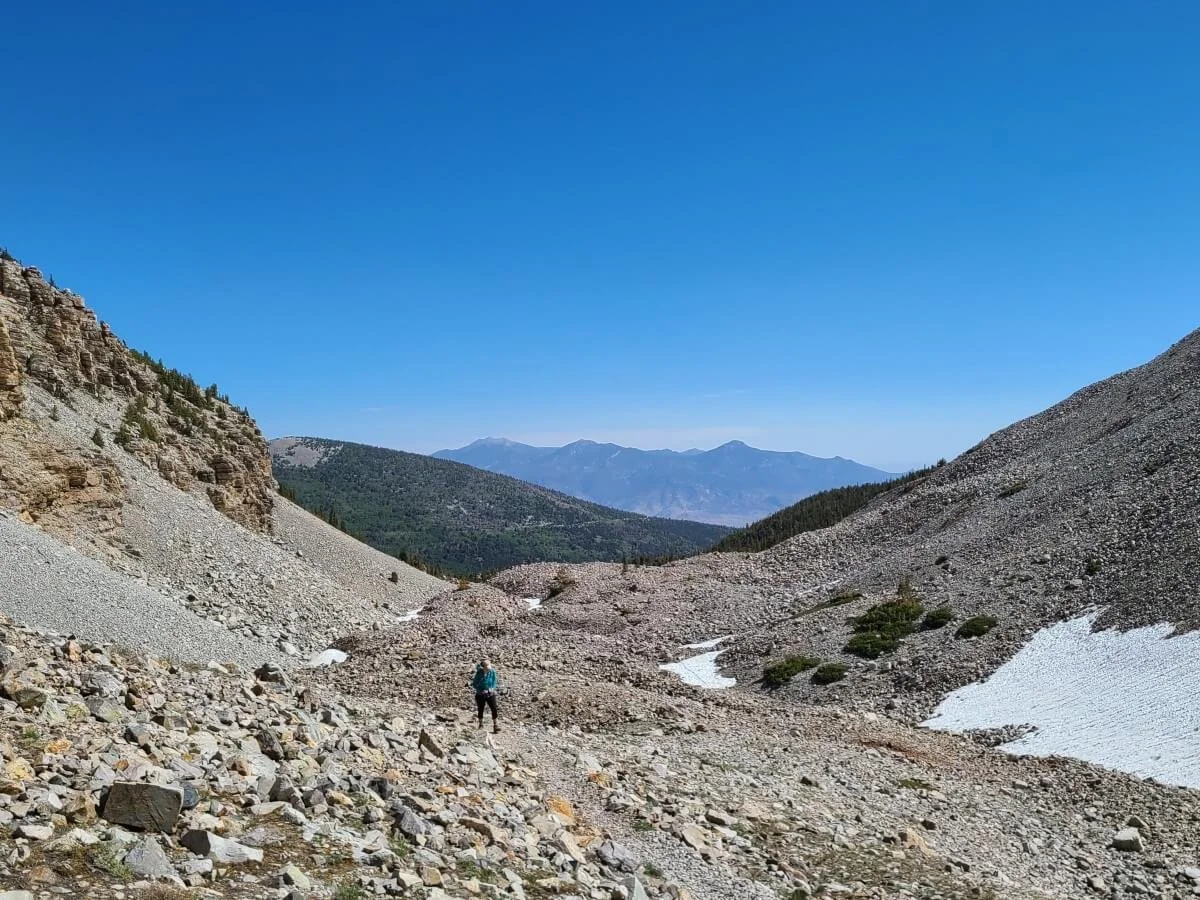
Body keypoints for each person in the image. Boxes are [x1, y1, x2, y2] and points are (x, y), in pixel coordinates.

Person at [471, 658, 500, 733]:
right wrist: (481, 689)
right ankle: (481, 724)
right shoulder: (479, 673)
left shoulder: (492, 671)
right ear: (483, 666)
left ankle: (495, 725)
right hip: (480, 694)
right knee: (481, 709)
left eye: (489, 665)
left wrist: (492, 688)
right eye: (486, 665)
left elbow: (494, 681)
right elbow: (474, 684)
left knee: (494, 708)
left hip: (490, 693)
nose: (488, 667)